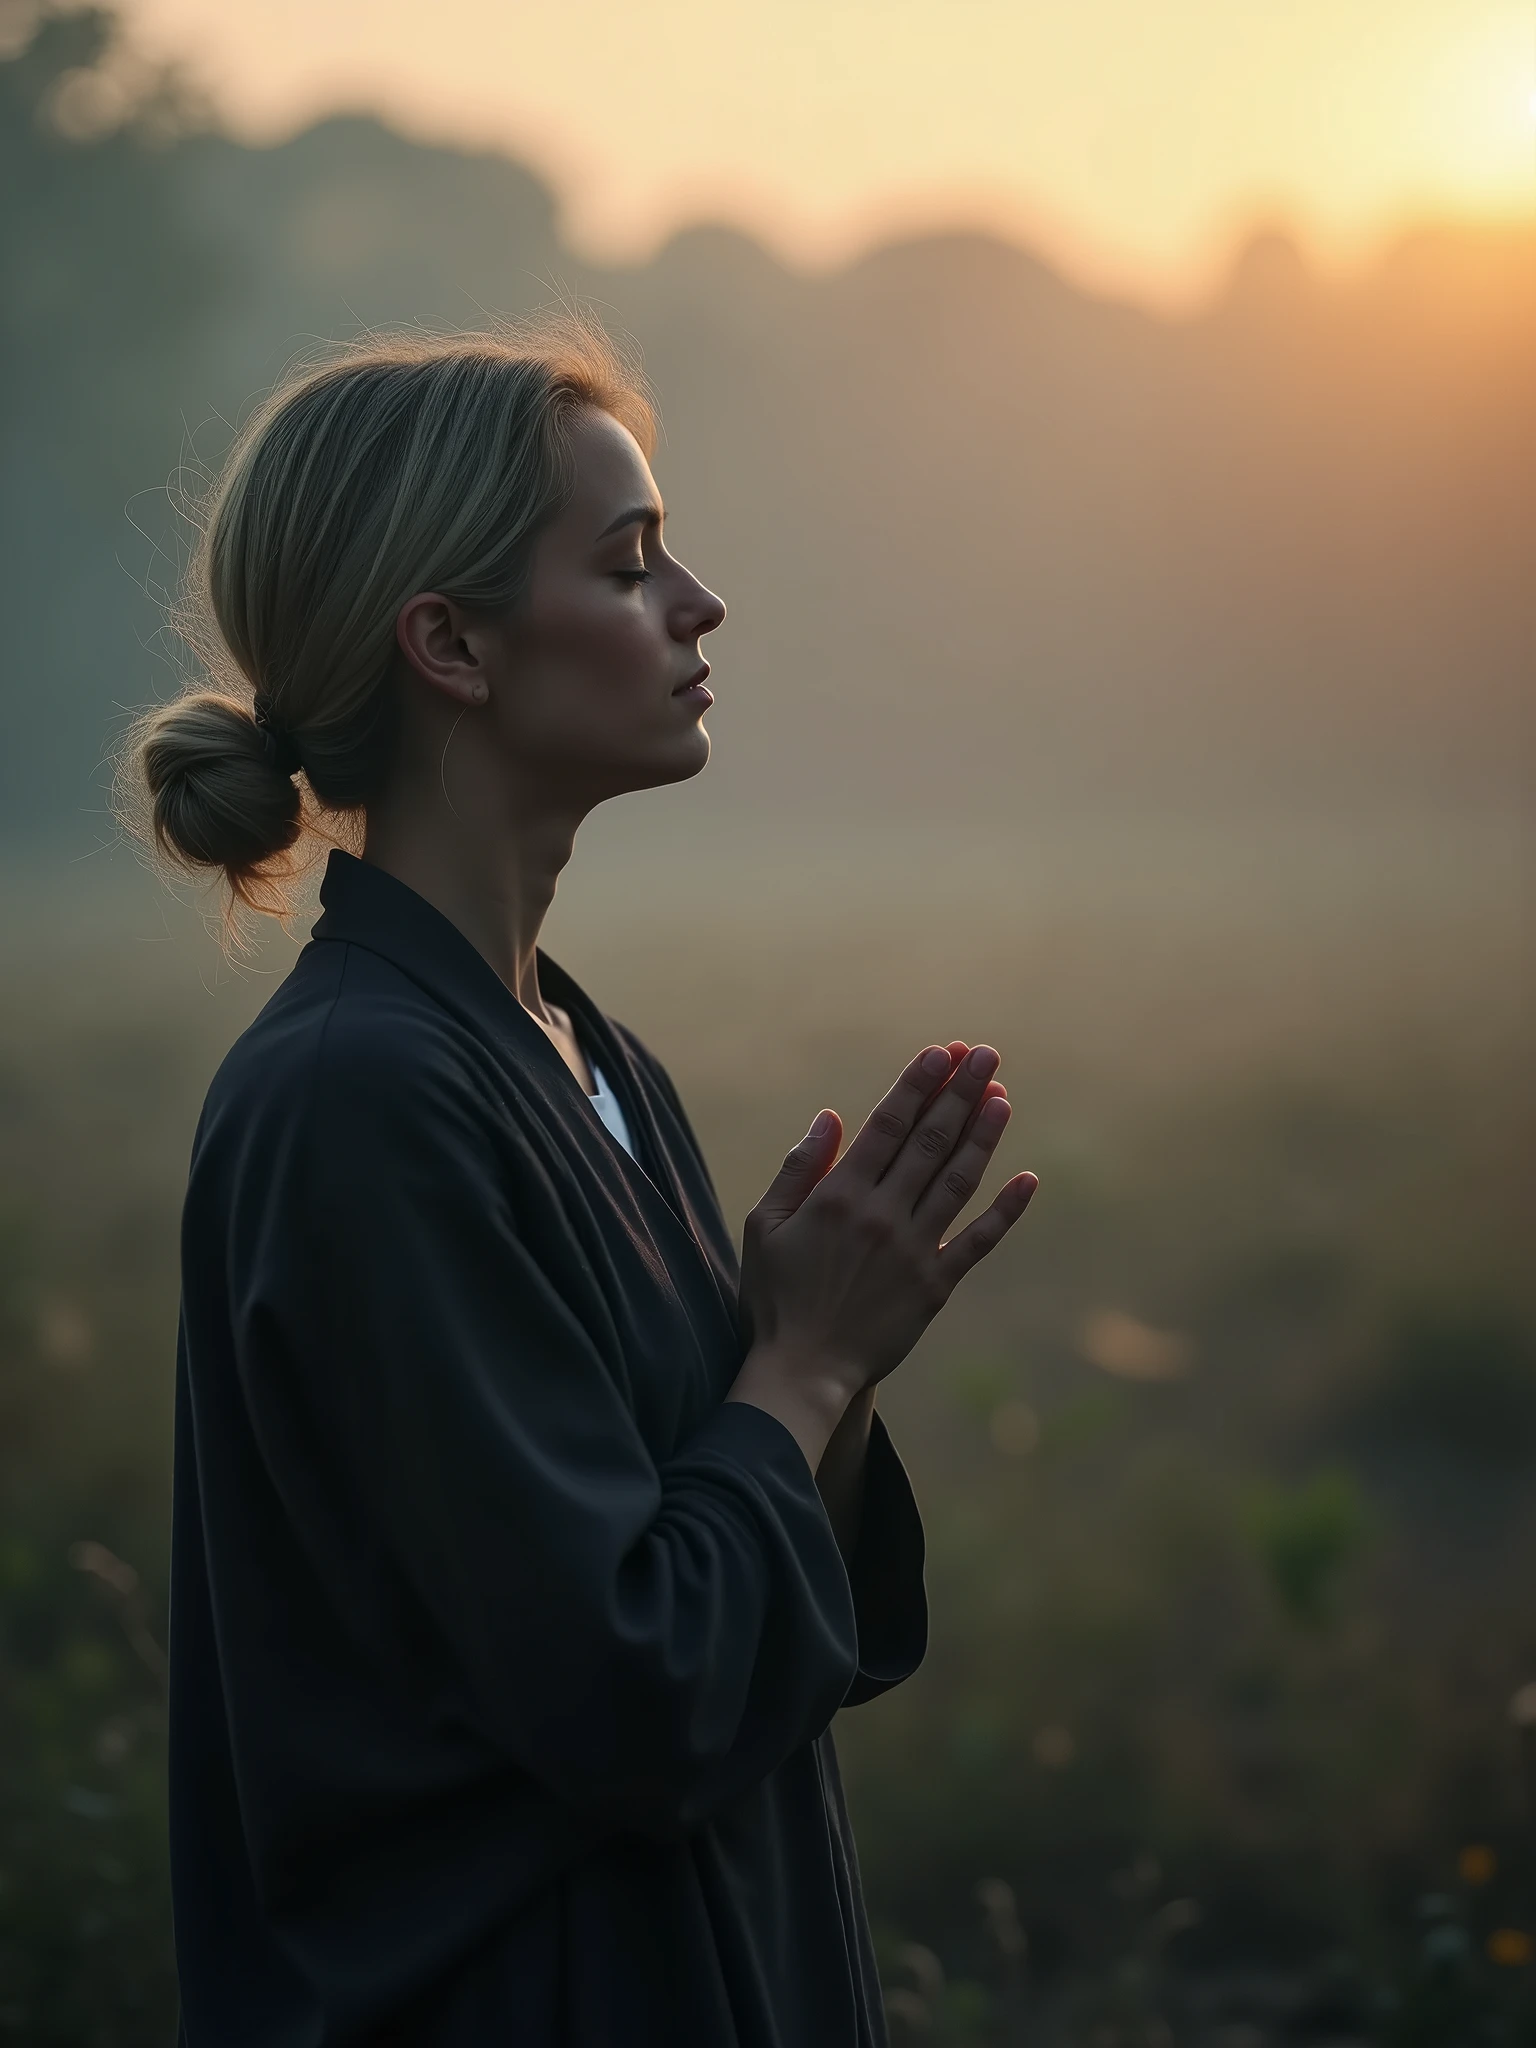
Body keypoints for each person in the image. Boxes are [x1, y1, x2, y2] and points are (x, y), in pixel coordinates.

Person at [126, 322, 1038, 2046]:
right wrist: (808, 1366)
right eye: (630, 565)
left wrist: (814, 1355)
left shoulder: (588, 1056)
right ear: (450, 644)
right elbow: (636, 1698)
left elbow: (738, 1604)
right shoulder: (359, 1104)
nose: (699, 606)